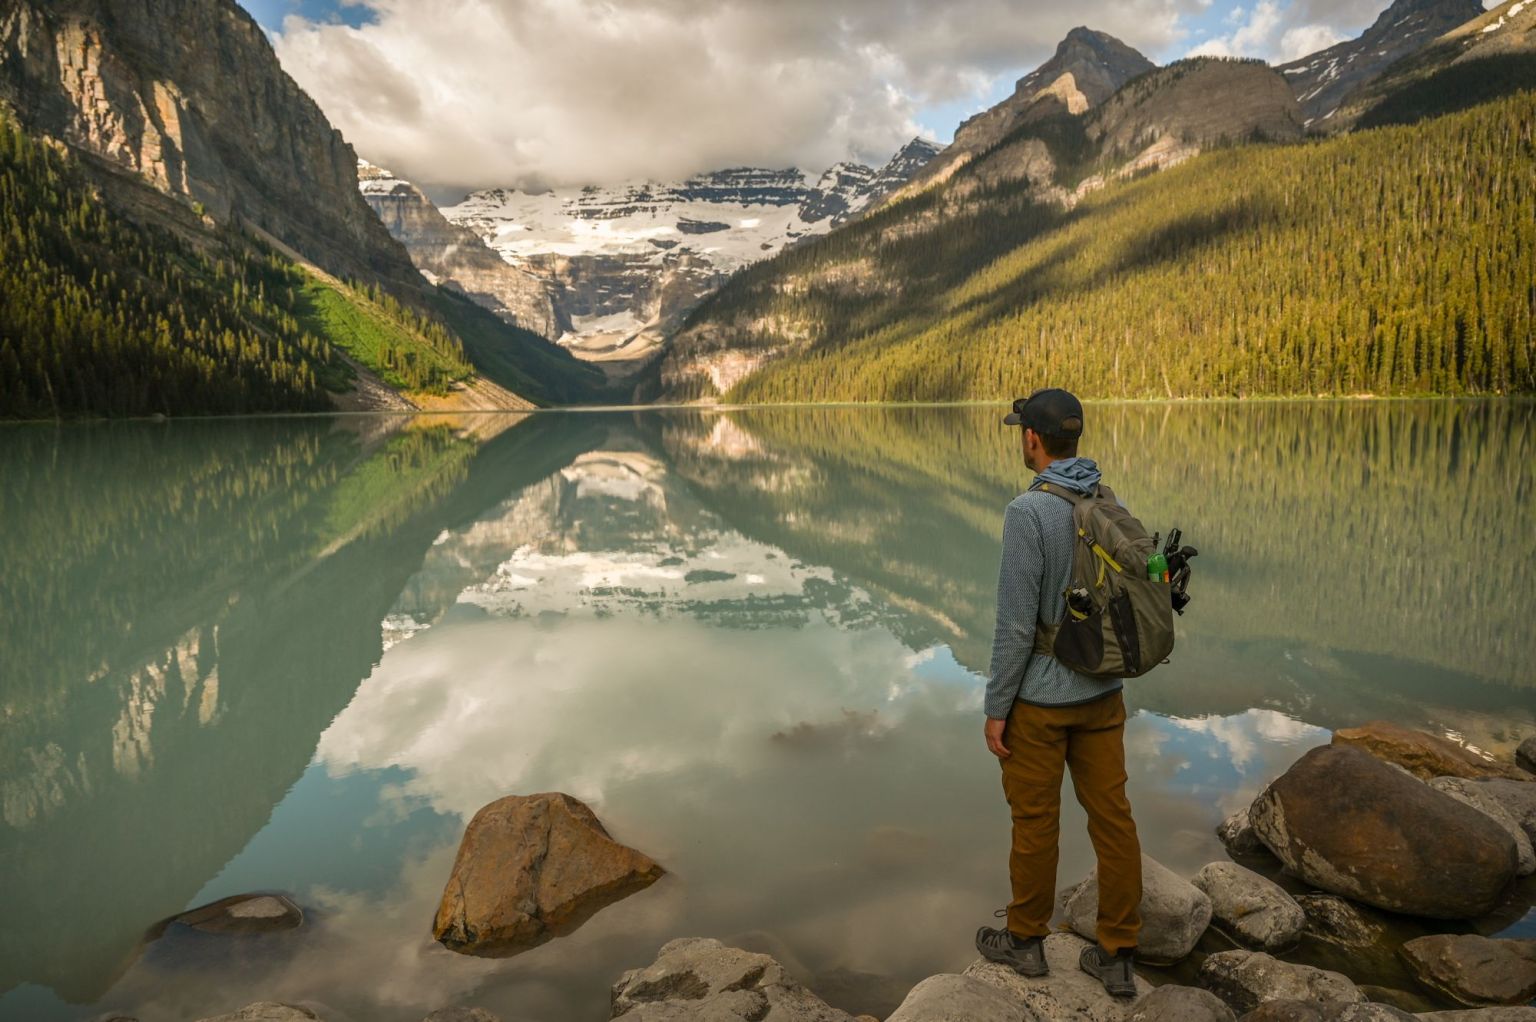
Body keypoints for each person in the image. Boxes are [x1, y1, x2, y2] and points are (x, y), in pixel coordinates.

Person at [973, 387, 1142, 999]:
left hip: (1042, 704)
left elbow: (1016, 625)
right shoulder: (1105, 497)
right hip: (1103, 692)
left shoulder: (1028, 512)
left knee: (1036, 821)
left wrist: (997, 709)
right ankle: (1118, 954)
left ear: (1032, 439)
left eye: (1022, 430)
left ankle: (1025, 943)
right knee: (1114, 820)